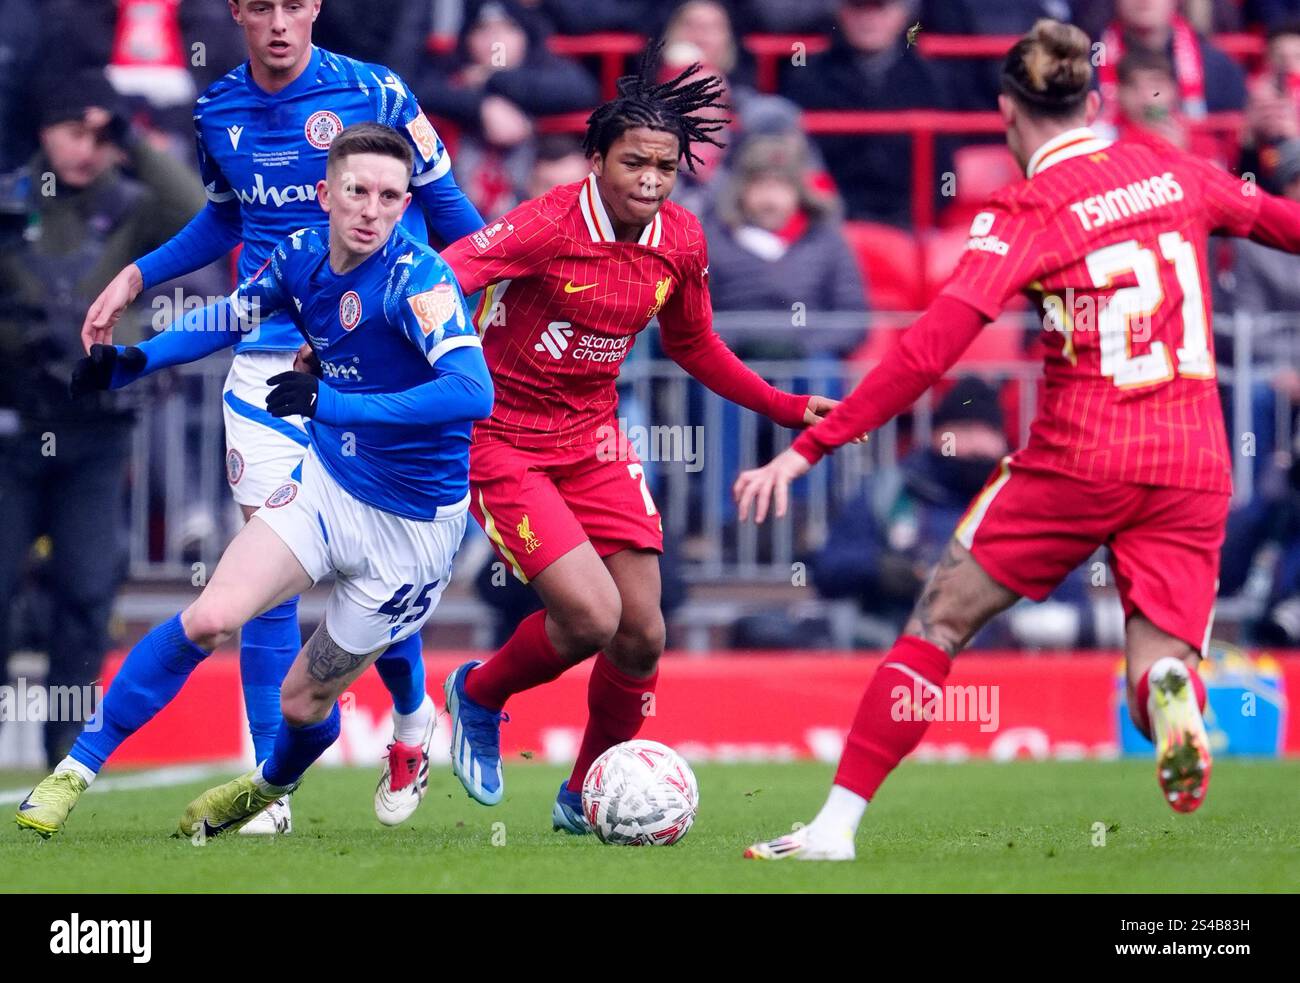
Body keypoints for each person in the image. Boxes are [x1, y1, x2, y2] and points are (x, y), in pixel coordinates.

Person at [734, 19, 1300, 860]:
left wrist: (812, 442)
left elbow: (928, 350)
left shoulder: (1026, 211)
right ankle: (1171, 684)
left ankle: (834, 829)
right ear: (1098, 101)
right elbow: (1278, 221)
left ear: (1005, 110)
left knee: (940, 620)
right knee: (1154, 665)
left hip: (1081, 453)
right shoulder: (1171, 166)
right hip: (1191, 456)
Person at [77, 0, 486, 834]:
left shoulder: (377, 92)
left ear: (315, 8)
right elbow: (224, 217)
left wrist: (450, 323)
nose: (276, 21)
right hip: (266, 355)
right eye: (258, 5)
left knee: (365, 566)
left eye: (291, 4)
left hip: (369, 362)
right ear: (235, 10)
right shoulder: (217, 106)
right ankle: (271, 791)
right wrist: (138, 275)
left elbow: (450, 215)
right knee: (264, 578)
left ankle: (412, 719)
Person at [436, 50, 842, 833]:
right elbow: (451, 270)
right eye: (634, 162)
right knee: (588, 617)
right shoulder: (548, 221)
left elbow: (696, 347)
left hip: (592, 437)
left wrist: (784, 406)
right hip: (501, 438)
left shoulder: (682, 239)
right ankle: (480, 694)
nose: (652, 179)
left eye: (666, 165)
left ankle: (583, 791)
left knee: (642, 631)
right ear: (597, 160)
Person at [0, 71, 207, 767]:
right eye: (74, 130)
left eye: (99, 134)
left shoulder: (130, 203)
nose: (86, 148)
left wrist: (132, 141)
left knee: (87, 592)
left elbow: (194, 210)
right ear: (43, 131)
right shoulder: (10, 199)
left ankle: (66, 749)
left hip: (94, 433)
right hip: (13, 428)